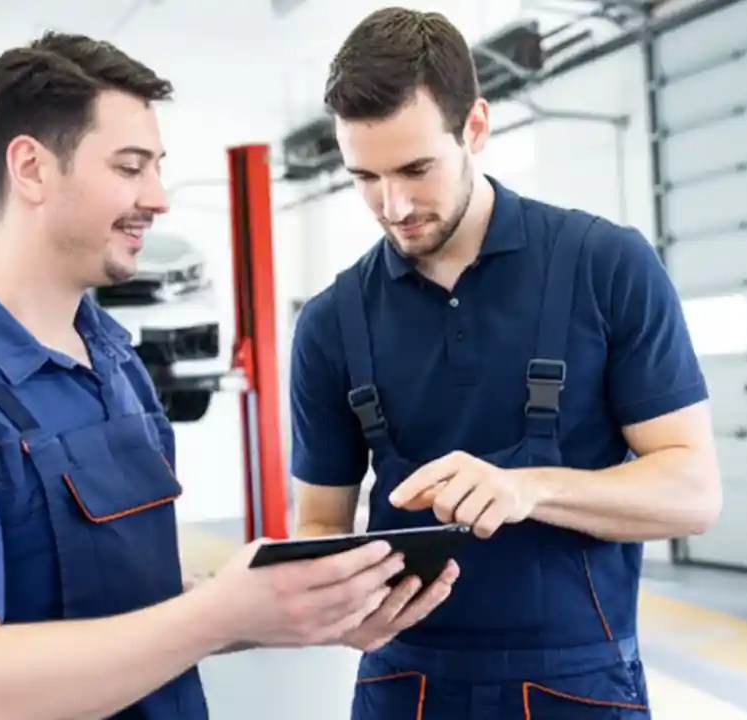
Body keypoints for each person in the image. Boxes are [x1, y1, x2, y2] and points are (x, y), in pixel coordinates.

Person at [0, 31, 436, 720]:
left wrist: (289, 611)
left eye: (157, 168)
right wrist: (217, 614)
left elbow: (131, 610)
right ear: (31, 168)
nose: (159, 197)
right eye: (129, 167)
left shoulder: (116, 365)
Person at [288, 8, 723, 719]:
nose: (393, 205)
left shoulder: (606, 266)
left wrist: (530, 490)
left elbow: (694, 494)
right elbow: (318, 523)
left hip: (577, 688)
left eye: (416, 169)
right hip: (402, 687)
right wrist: (336, 606)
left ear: (476, 127)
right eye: (364, 176)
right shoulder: (330, 322)